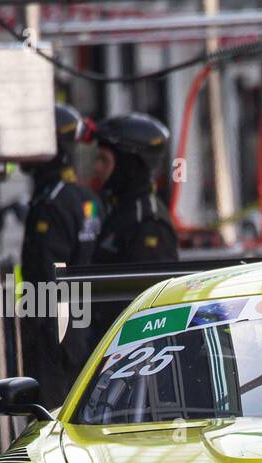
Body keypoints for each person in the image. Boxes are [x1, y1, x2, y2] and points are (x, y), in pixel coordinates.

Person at [75, 112, 178, 362]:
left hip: (135, 359)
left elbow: (154, 308)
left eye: (104, 160)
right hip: (108, 348)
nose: (97, 169)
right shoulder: (120, 211)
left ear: (127, 164)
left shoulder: (148, 221)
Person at [20, 103, 101, 408]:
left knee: (50, 418)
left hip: (56, 334)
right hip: (84, 330)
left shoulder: (51, 203)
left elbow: (47, 277)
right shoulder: (87, 199)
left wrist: (47, 332)